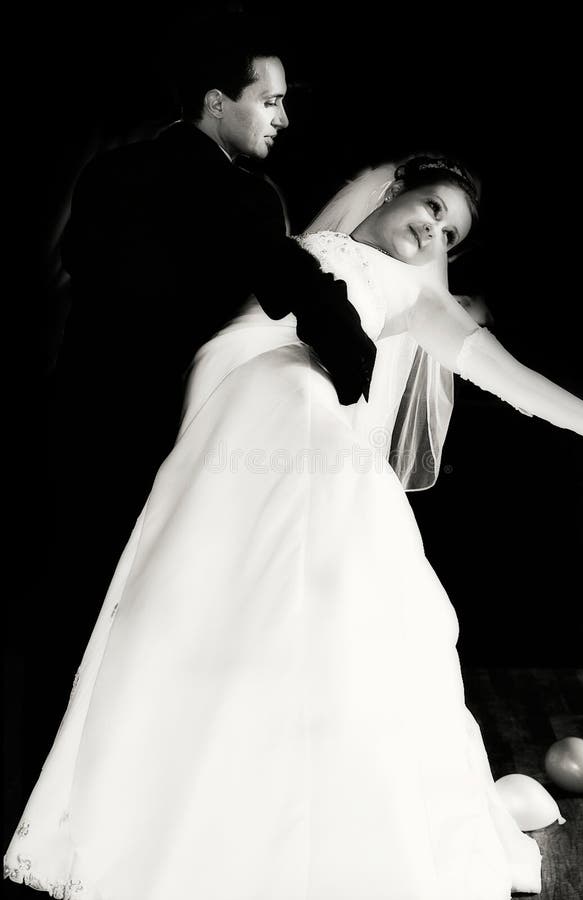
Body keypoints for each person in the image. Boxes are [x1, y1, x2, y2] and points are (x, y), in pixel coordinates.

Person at [8, 155, 583, 899]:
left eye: (450, 233)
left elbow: (521, 387)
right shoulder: (288, 246)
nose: (435, 230)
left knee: (326, 610)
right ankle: (211, 818)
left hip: (304, 425)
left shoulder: (414, 298)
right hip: (220, 434)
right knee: (200, 623)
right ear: (390, 192)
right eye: (434, 207)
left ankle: (330, 828)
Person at [43, 27, 376, 770]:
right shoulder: (238, 191)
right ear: (216, 102)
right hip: (157, 422)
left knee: (71, 605)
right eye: (270, 100)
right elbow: (291, 279)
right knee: (143, 609)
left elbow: (77, 265)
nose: (281, 119)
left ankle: (57, 774)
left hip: (74, 411)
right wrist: (354, 357)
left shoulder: (111, 168)